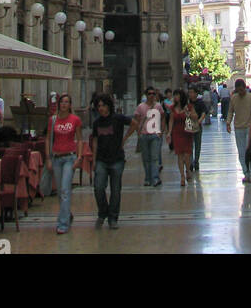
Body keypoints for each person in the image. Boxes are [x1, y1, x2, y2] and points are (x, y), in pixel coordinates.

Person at [91, 94, 136, 229]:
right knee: (98, 187)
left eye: (103, 105)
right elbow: (95, 141)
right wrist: (93, 159)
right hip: (101, 159)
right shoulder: (97, 123)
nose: (101, 108)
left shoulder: (117, 118)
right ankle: (103, 212)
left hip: (116, 159)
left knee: (115, 190)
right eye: (98, 106)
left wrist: (125, 138)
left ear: (109, 106)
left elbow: (134, 123)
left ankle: (113, 217)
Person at [45, 93, 82, 234]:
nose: (64, 104)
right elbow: (48, 138)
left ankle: (63, 224)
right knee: (60, 192)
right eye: (62, 102)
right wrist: (48, 157)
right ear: (59, 104)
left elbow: (79, 139)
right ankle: (67, 214)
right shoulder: (52, 120)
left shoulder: (75, 120)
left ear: (70, 105)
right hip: (56, 158)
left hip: (69, 158)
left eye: (67, 102)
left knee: (65, 190)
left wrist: (79, 157)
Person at [129, 87, 165, 186]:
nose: (151, 95)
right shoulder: (140, 107)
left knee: (154, 157)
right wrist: (138, 132)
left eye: (153, 93)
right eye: (149, 93)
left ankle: (155, 178)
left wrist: (161, 132)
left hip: (155, 135)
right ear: (146, 95)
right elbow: (136, 120)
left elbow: (163, 118)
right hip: (144, 135)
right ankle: (147, 178)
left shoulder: (158, 106)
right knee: (146, 158)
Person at [226, 78, 251, 182]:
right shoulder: (234, 98)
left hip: (250, 128)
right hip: (239, 127)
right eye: (238, 90)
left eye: (242, 90)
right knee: (241, 152)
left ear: (245, 88)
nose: (240, 92)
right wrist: (228, 122)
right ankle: (246, 172)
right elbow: (230, 111)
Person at [168, 90, 194, 186]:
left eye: (177, 95)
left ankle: (187, 170)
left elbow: (194, 116)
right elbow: (171, 120)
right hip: (177, 133)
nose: (175, 97)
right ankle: (182, 176)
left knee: (187, 155)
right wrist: (169, 133)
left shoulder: (189, 107)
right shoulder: (172, 108)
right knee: (179, 155)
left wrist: (189, 114)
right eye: (175, 95)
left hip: (187, 132)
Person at [186, 86, 206, 174]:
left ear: (196, 93)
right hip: (189, 124)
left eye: (192, 92)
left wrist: (199, 121)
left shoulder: (200, 102)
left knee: (197, 144)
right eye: (189, 92)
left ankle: (196, 161)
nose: (190, 94)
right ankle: (190, 162)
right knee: (189, 144)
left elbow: (204, 112)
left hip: (197, 125)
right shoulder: (187, 103)